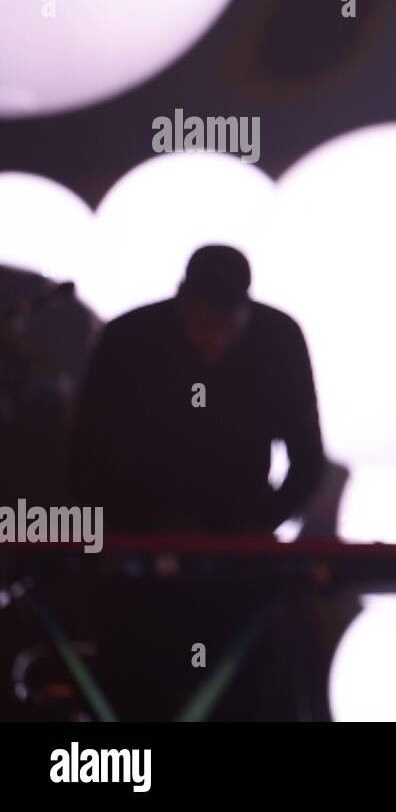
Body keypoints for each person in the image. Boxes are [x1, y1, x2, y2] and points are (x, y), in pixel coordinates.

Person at [66, 244, 324, 720]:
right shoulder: (128, 339)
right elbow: (86, 461)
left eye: (226, 324)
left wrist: (253, 527)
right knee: (137, 693)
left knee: (246, 691)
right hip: (138, 562)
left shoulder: (278, 338)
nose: (214, 338)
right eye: (204, 323)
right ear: (183, 301)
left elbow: (308, 460)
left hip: (238, 561)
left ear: (245, 312)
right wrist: (135, 530)